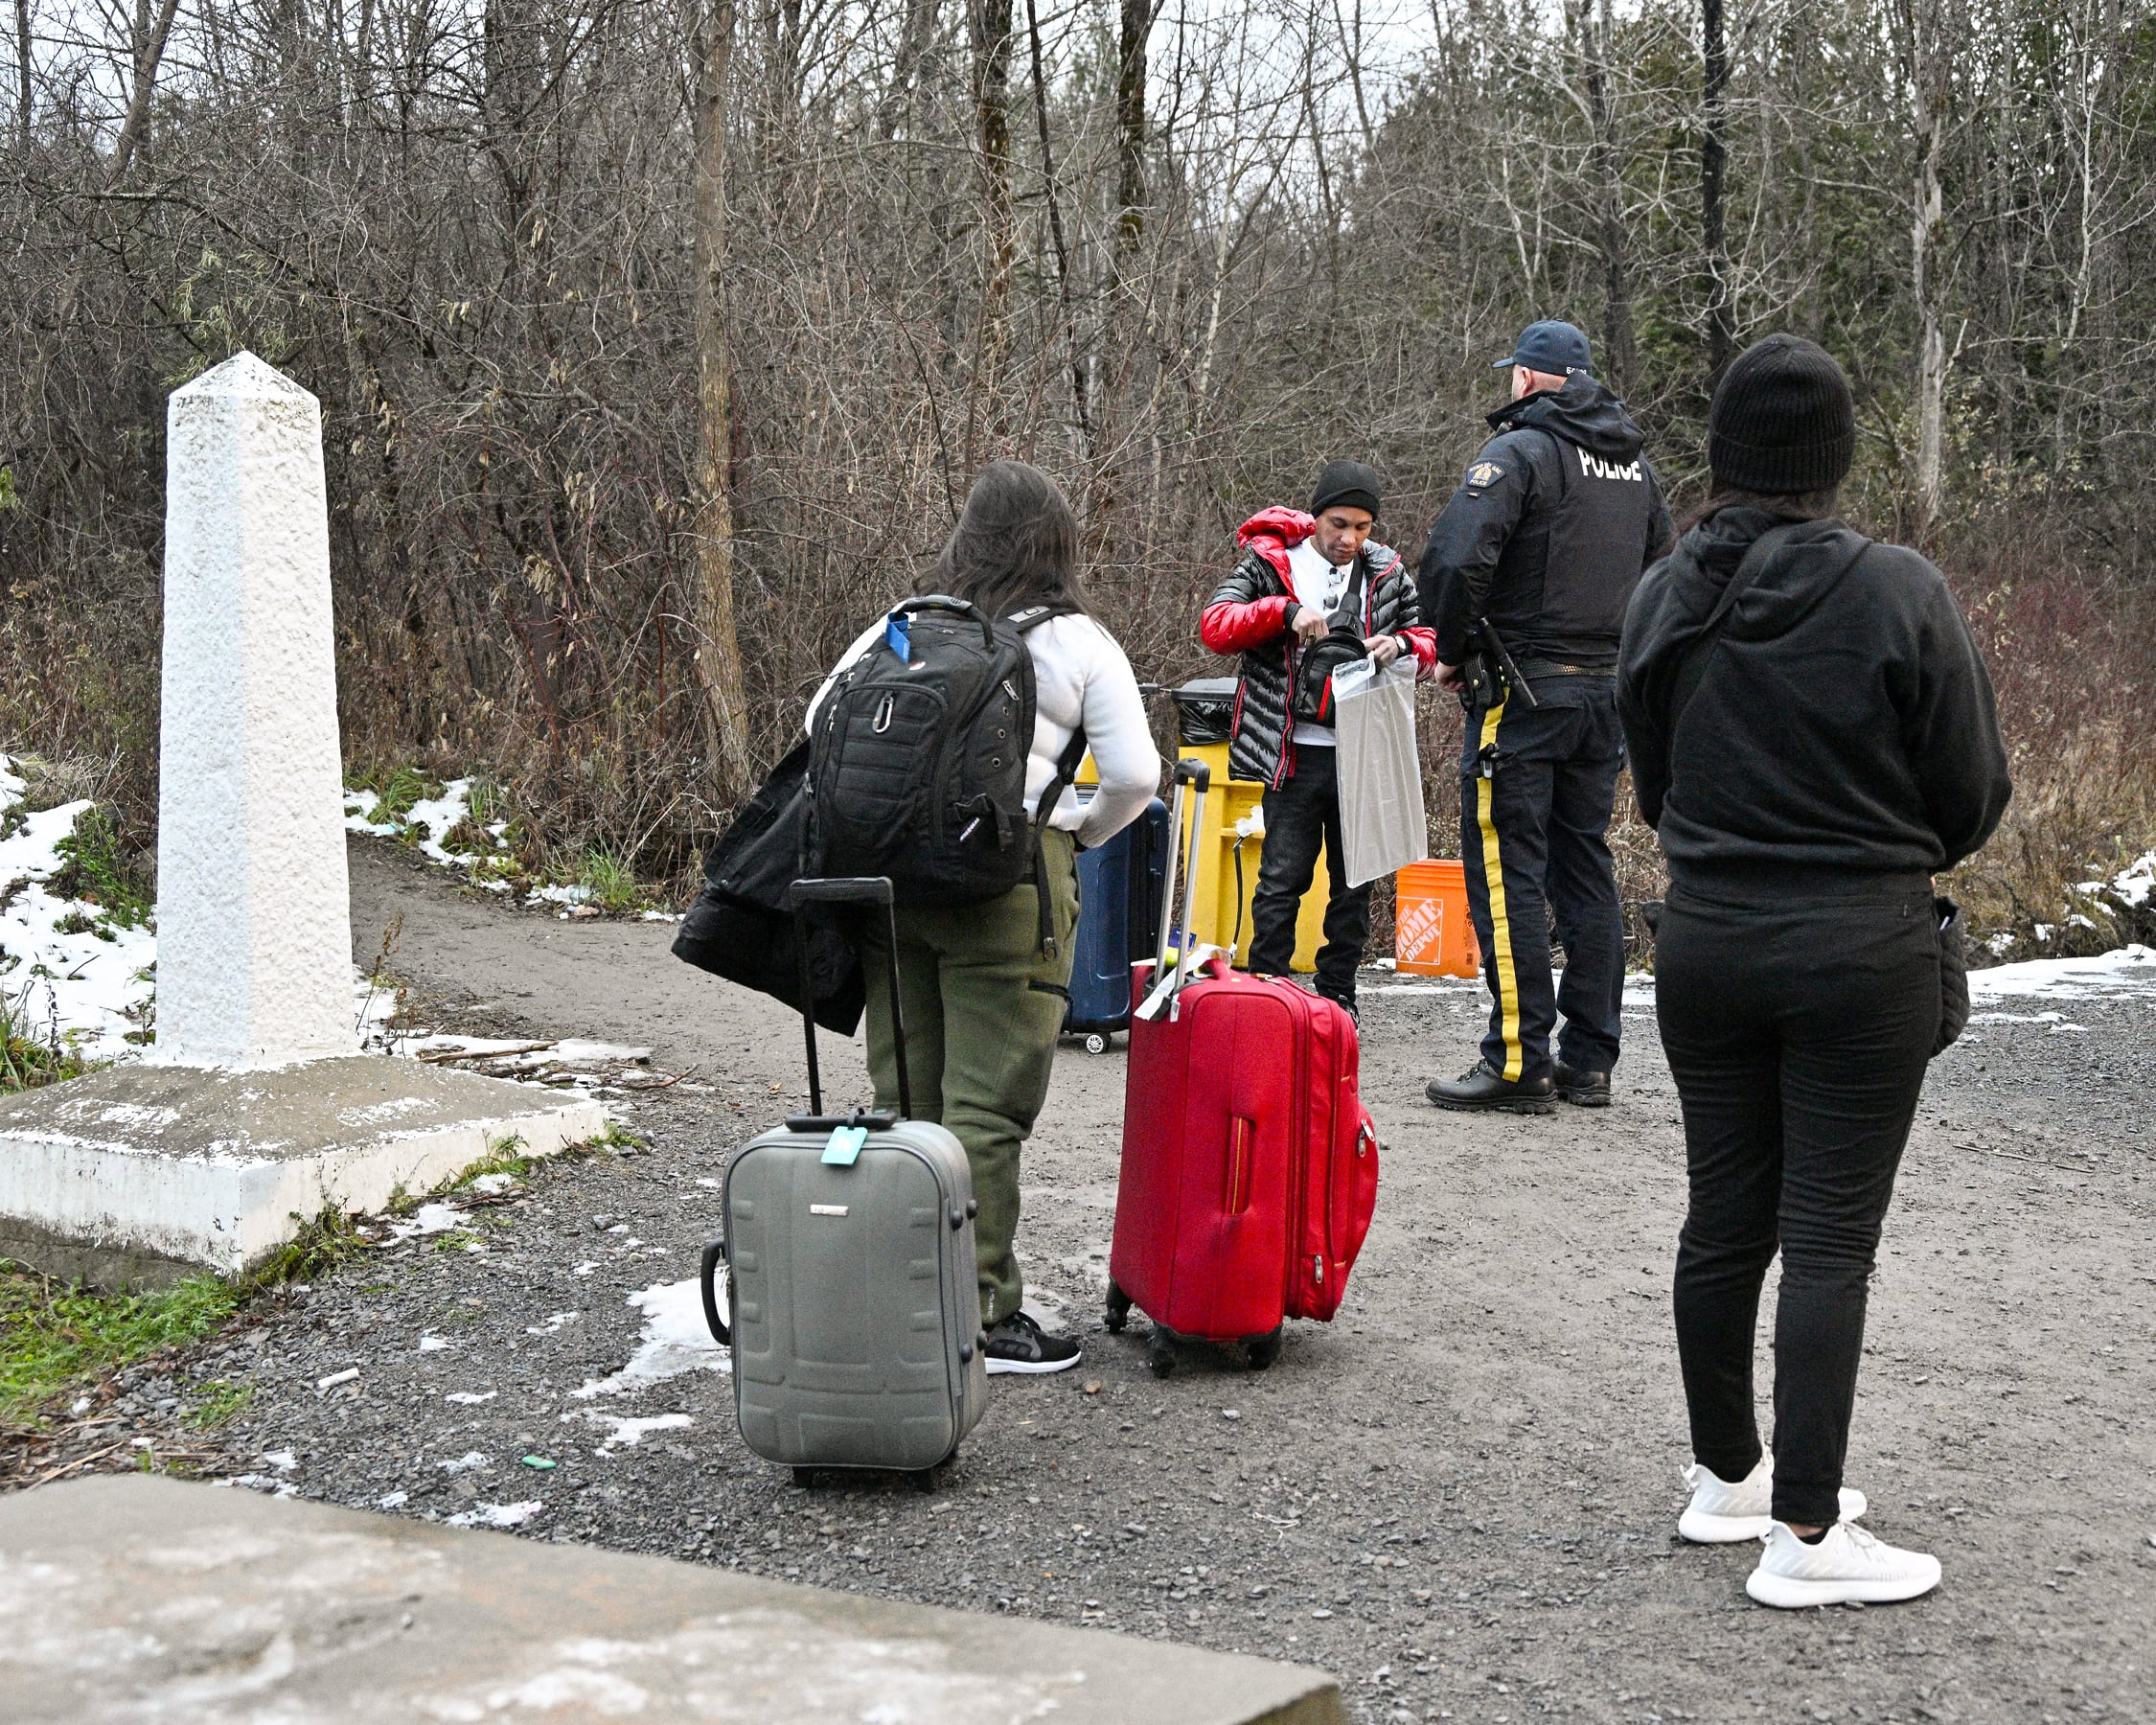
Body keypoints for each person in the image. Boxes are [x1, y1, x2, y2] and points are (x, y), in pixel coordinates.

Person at [1617, 334, 2010, 1607]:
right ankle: (1804, 1537)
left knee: (1722, 1216)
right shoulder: (1899, 591)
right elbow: (1967, 795)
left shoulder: (1661, 595)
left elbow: (1658, 787)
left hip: (1708, 939)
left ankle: (1728, 1480)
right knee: (1828, 1234)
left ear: (1723, 456)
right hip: (1859, 946)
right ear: (1833, 461)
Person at [808, 461, 1158, 1373]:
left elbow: (820, 723)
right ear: (1058, 546)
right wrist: (1076, 833)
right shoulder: (1079, 641)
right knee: (984, 1112)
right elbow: (1135, 777)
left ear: (968, 538)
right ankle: (983, 1313)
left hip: (890, 891)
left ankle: (901, 1290)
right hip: (1009, 883)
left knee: (905, 1099)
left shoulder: (905, 625)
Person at [1419, 319, 1672, 1114]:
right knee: (1584, 866)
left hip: (1524, 695)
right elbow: (1666, 573)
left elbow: (1459, 558)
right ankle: (1590, 1059)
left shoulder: (1519, 453)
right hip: (1606, 699)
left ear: (1528, 380)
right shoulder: (1635, 467)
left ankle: (1519, 1060)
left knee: (1506, 871)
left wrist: (1452, 649)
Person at [1200, 460, 1436, 1020]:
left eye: (1362, 526)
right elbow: (1215, 623)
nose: (1349, 538)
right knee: (1281, 877)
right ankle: (1267, 991)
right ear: (1315, 517)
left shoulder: (1388, 572)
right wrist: (1283, 612)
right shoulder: (1272, 563)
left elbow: (1429, 636)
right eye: (1338, 524)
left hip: (1363, 752)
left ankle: (1338, 995)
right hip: (1292, 750)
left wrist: (1401, 647)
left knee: (1355, 885)